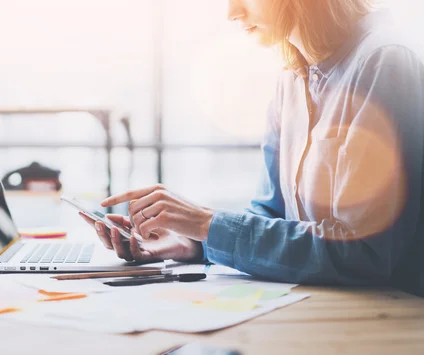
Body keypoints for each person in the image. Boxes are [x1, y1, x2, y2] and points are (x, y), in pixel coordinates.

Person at [80, 0, 424, 297]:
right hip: (319, 307)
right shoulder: (292, 76)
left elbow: (365, 254)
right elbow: (271, 213)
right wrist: (193, 243)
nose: (232, 12)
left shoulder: (385, 63)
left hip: (384, 319)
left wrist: (206, 224)